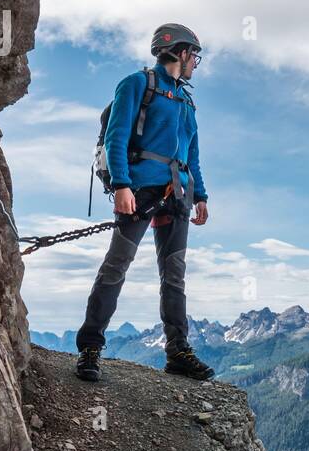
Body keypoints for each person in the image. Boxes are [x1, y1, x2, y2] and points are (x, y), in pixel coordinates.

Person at [73, 23, 213, 382]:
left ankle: (177, 351)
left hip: (178, 195)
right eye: (194, 55)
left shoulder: (186, 100)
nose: (195, 63)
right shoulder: (137, 84)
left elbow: (191, 153)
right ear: (181, 52)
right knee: (117, 265)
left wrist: (201, 195)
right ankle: (90, 347)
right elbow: (116, 137)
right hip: (139, 191)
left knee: (175, 275)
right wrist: (121, 185)